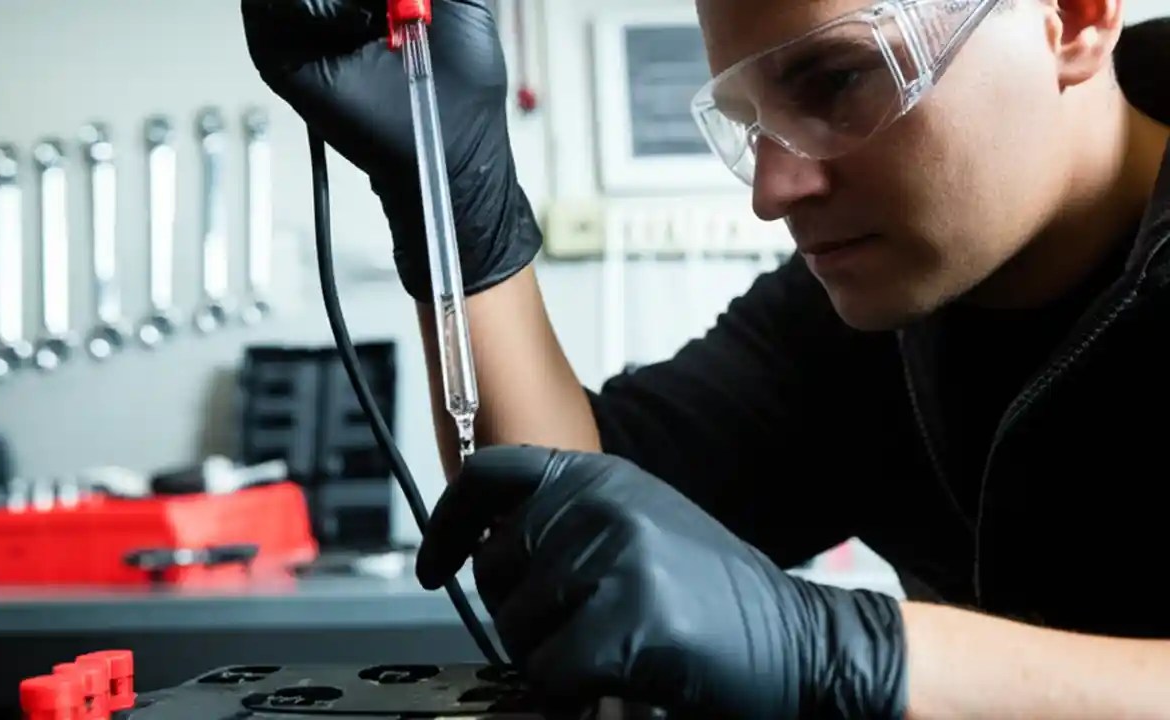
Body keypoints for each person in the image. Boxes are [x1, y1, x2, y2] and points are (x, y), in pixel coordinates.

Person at [242, 0, 1170, 716]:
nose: (774, 190)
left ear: (1074, 16)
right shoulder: (858, 322)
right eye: (747, 119)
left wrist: (847, 657)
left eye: (840, 79)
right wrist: (453, 193)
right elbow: (562, 515)